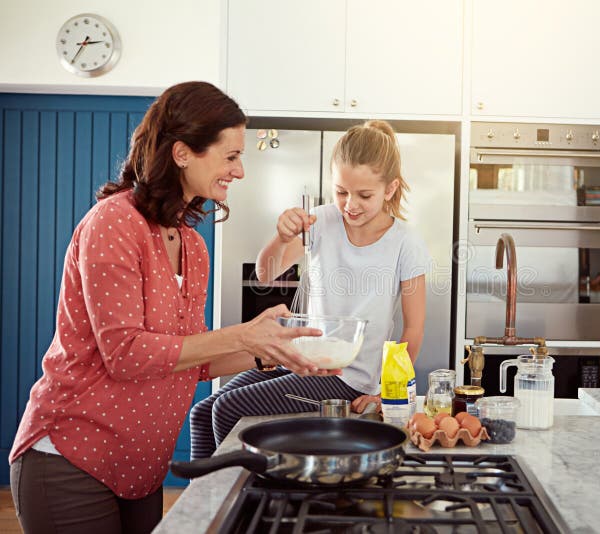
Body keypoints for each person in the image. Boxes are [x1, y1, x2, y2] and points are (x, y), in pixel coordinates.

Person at [8, 81, 338, 534]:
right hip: (72, 458)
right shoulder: (114, 223)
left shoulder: (191, 244)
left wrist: (276, 352)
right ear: (183, 153)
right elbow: (126, 354)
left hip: (141, 469)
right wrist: (244, 335)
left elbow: (190, 360)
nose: (240, 171)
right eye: (231, 156)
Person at [189, 120, 430, 459]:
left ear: (389, 190)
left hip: (347, 379)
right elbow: (266, 273)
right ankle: (207, 505)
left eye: (364, 195)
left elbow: (414, 328)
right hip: (300, 360)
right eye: (341, 191)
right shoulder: (321, 220)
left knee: (227, 408)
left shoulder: (406, 243)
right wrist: (282, 237)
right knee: (202, 413)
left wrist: (388, 393)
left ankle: (240, 502)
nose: (350, 205)